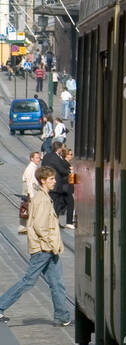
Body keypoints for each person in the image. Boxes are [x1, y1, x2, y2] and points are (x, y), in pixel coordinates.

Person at [0, 166, 71, 327]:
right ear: (43, 181)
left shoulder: (44, 197)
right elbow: (39, 226)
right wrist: (52, 244)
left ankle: (62, 315)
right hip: (43, 250)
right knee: (28, 281)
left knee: (57, 282)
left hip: (48, 250)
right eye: (51, 179)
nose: (54, 181)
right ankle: (0, 306)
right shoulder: (42, 199)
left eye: (54, 178)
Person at [42, 139, 73, 228]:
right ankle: (54, 223)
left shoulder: (46, 156)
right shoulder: (55, 157)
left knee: (52, 203)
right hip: (56, 185)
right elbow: (61, 169)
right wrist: (70, 172)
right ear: (58, 149)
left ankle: (53, 222)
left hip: (47, 183)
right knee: (56, 204)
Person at [18, 150, 42, 235]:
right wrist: (31, 194)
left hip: (31, 190)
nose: (38, 159)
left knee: (27, 208)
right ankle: (24, 227)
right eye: (36, 158)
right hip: (29, 191)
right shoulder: (30, 168)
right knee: (27, 208)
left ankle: (26, 226)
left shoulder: (34, 167)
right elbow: (29, 182)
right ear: (31, 159)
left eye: (39, 158)